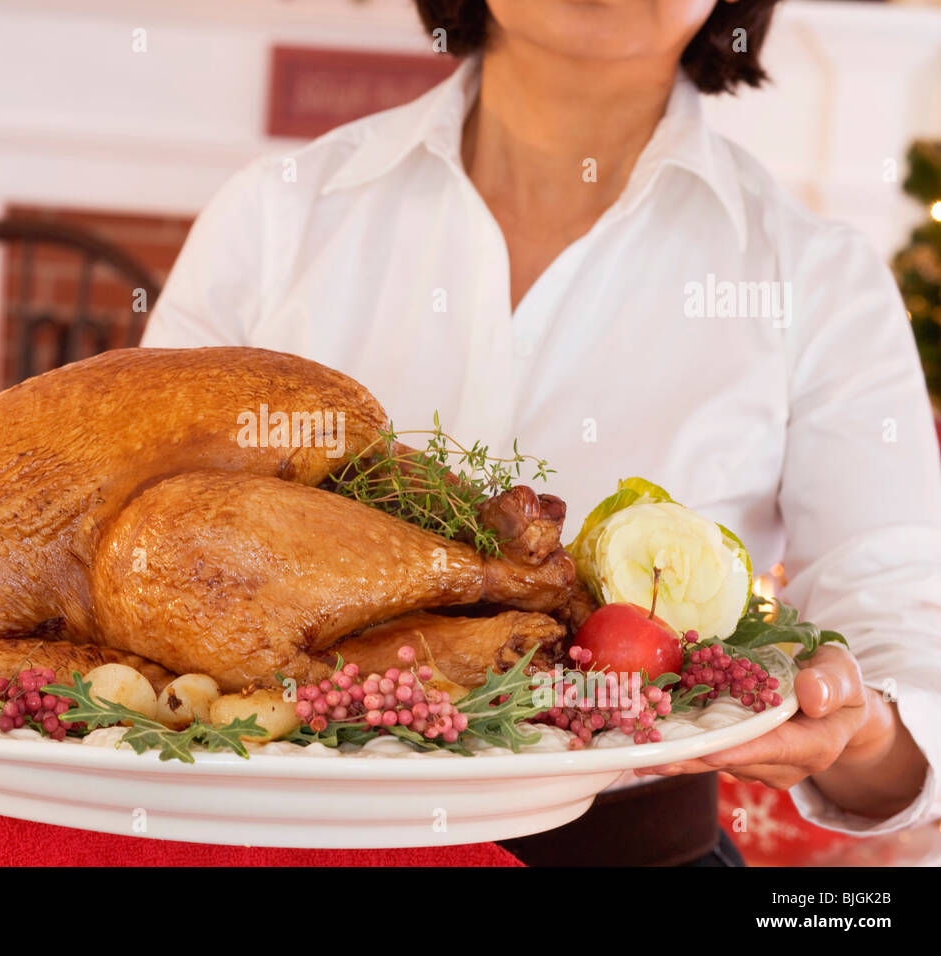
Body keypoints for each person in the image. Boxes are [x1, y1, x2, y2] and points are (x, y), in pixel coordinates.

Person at [140, 0, 941, 865]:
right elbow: (134, 527)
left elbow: (896, 617)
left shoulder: (818, 275)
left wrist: (864, 734)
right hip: (259, 843)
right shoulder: (272, 216)